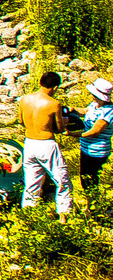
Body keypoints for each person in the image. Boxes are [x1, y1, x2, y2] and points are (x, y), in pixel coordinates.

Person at [20, 71, 73, 221]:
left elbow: (21, 121)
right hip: (46, 143)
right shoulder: (53, 103)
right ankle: (64, 214)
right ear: (55, 87)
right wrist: (65, 121)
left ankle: (29, 215)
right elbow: (60, 128)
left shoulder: (25, 99)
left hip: (29, 142)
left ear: (40, 82)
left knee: (32, 182)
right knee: (62, 180)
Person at [80, 78, 113, 191]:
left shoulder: (108, 111)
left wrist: (73, 134)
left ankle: (94, 204)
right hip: (86, 148)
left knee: (92, 179)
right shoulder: (94, 105)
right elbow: (85, 111)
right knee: (84, 177)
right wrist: (72, 110)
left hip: (97, 151)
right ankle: (90, 203)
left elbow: (95, 131)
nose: (92, 96)